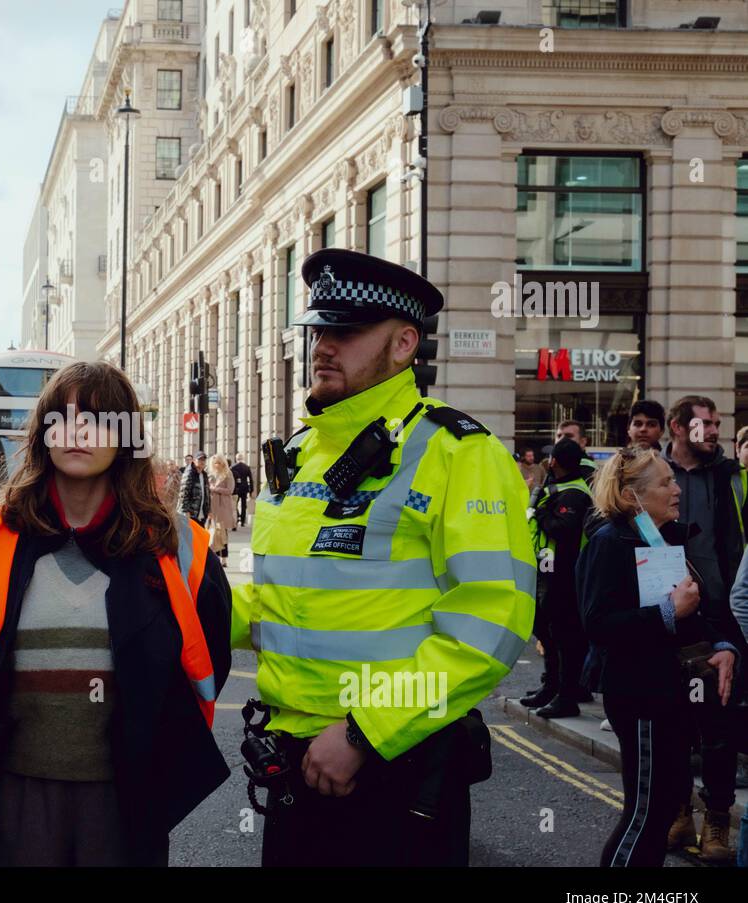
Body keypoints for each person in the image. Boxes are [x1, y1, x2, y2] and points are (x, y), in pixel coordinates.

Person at [231, 248, 534, 867]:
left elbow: (490, 622)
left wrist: (364, 732)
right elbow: (278, 602)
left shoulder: (458, 452)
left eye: (345, 331)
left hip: (394, 762)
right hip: (294, 759)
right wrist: (172, 600)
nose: (322, 346)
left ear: (403, 344)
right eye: (319, 329)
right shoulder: (300, 453)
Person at [0, 361, 232, 866]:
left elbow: (207, 661)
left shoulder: (180, 545)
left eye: (99, 420)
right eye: (63, 419)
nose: (79, 433)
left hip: (125, 800)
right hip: (13, 793)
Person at [577, 446, 738, 866]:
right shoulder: (610, 542)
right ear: (633, 496)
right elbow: (598, 623)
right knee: (646, 812)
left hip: (669, 691)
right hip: (639, 694)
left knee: (665, 805)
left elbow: (686, 613)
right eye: (665, 482)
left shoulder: (656, 537)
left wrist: (719, 646)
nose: (677, 489)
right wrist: (669, 611)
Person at [662, 395, 746, 861]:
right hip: (672, 617)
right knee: (674, 722)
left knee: (720, 726)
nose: (714, 431)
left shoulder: (730, 477)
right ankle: (679, 814)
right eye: (705, 424)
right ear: (678, 427)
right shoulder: (654, 474)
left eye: (717, 424)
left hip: (725, 617)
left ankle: (717, 821)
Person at [521, 438, 593, 718]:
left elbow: (563, 528)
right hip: (547, 573)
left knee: (565, 639)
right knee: (548, 634)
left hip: (564, 577)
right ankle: (551, 687)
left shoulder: (574, 493)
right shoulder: (558, 487)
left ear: (555, 462)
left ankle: (566, 696)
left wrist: (539, 512)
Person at [206, 454, 237, 567]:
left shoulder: (228, 474)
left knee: (223, 534)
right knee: (214, 534)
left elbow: (230, 490)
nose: (216, 465)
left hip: (223, 508)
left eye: (219, 462)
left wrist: (215, 489)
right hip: (213, 508)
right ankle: (215, 558)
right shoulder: (211, 475)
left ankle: (224, 559)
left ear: (223, 463)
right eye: (215, 463)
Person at [178, 450, 210, 526]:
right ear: (194, 460)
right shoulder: (189, 473)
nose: (202, 462)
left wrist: (208, 510)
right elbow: (183, 493)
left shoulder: (204, 474)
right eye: (200, 459)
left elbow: (207, 493)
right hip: (191, 513)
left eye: (204, 460)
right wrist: (186, 511)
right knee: (190, 536)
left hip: (201, 512)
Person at [231, 453, 254, 527]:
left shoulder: (233, 467)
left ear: (236, 458)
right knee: (244, 505)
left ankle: (237, 518)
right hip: (244, 488)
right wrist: (251, 490)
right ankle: (243, 521)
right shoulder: (246, 467)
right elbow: (250, 479)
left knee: (235, 504)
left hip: (236, 488)